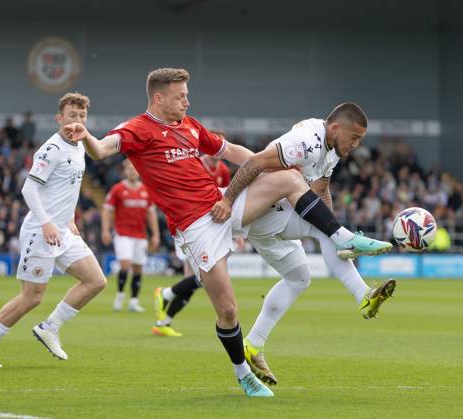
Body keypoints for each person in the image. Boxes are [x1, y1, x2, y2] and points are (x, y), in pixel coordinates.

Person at [61, 67, 390, 397]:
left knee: (290, 180)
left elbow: (233, 152)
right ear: (159, 98)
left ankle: (343, 239)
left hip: (221, 204)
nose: (187, 101)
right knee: (228, 310)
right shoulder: (138, 129)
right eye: (181, 96)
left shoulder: (189, 127)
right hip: (195, 226)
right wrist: (85, 135)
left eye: (187, 95)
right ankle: (243, 373)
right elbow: (102, 149)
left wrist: (264, 174)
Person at [214, 104, 396, 385]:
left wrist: (330, 223)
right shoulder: (305, 141)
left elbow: (319, 193)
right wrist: (227, 201)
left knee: (298, 278)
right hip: (253, 206)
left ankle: (253, 344)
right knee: (325, 231)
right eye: (355, 137)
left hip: (267, 220)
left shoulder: (332, 152)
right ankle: (362, 294)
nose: (357, 145)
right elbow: (253, 164)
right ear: (336, 128)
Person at [0, 93, 108, 368]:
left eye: (81, 116)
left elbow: (69, 185)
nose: (77, 121)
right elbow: (29, 188)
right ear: (59, 119)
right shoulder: (51, 149)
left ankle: (50, 327)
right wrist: (46, 223)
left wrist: (68, 219)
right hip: (40, 231)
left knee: (96, 281)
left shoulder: (80, 146)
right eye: (72, 116)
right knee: (31, 297)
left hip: (63, 231)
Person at [152, 130, 230, 337]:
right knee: (202, 278)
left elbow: (226, 200)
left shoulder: (223, 169)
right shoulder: (194, 162)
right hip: (190, 224)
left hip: (211, 226)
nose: (215, 153)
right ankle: (166, 293)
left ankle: (164, 321)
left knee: (198, 280)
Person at [102, 159, 160, 312]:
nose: (132, 172)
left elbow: (151, 214)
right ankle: (120, 296)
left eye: (134, 169)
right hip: (123, 234)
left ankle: (134, 301)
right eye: (129, 169)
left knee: (138, 268)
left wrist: (155, 234)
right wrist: (105, 230)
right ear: (124, 171)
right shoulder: (117, 189)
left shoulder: (146, 190)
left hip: (140, 235)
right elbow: (107, 209)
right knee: (125, 265)